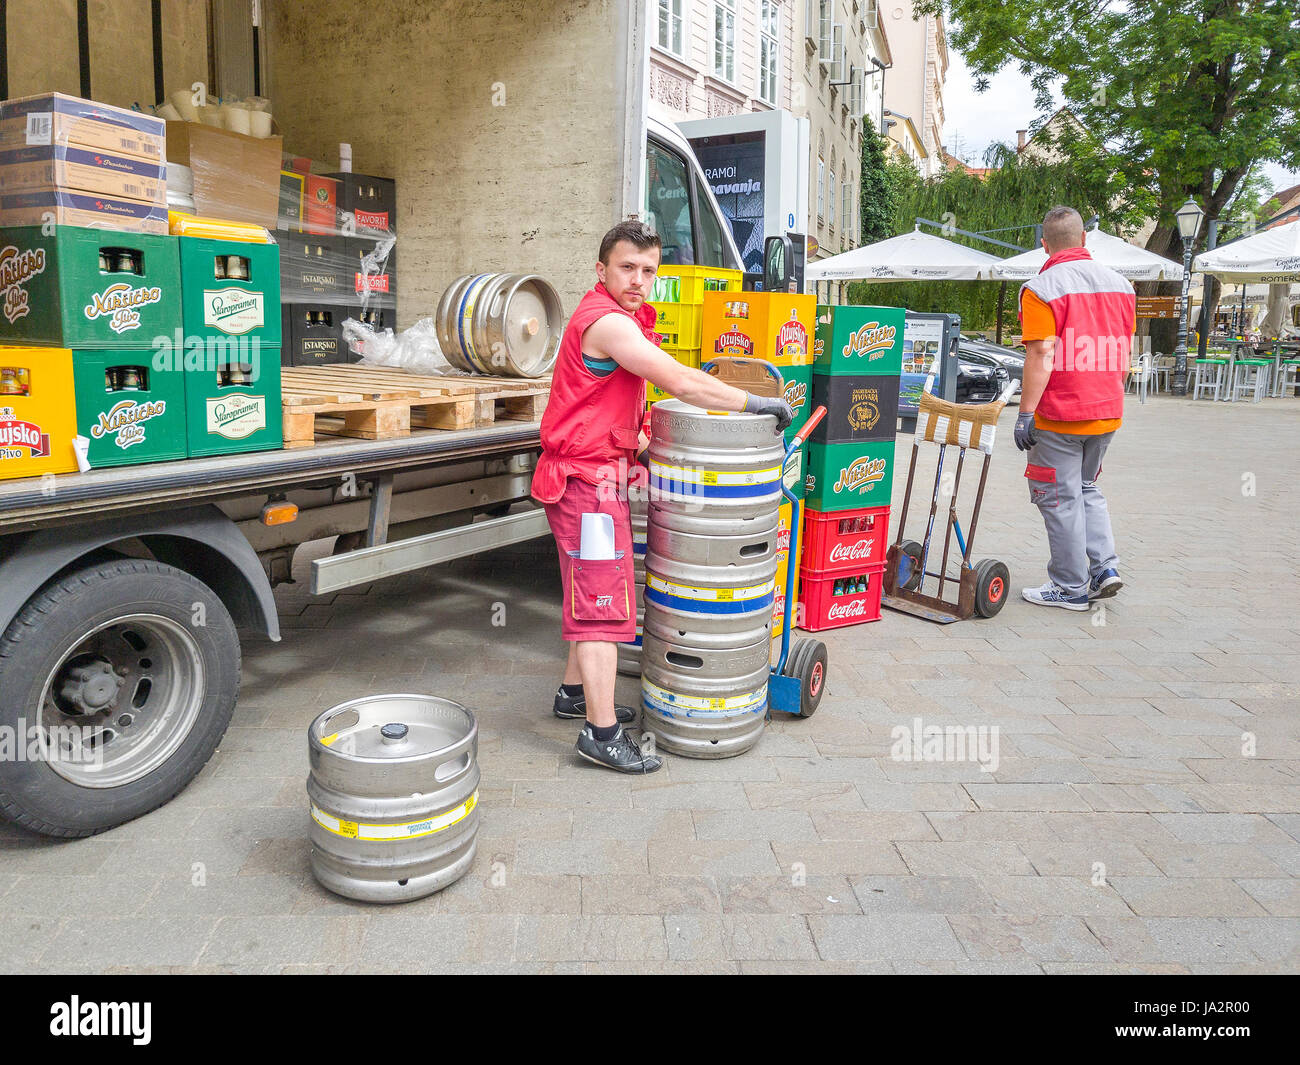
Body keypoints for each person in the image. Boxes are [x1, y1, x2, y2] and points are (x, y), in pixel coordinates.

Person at [532, 220, 793, 773]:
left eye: (649, 270)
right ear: (601, 271)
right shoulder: (605, 323)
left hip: (597, 475)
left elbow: (612, 399)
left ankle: (573, 694)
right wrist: (754, 403)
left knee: (589, 590)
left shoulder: (621, 319)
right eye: (627, 268)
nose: (639, 280)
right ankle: (599, 736)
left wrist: (639, 440)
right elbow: (681, 382)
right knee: (602, 606)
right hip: (587, 485)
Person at [1014, 206, 1136, 610]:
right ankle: (1105, 568)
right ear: (1084, 240)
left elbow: (1042, 352)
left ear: (1044, 245)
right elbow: (1125, 350)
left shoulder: (1041, 288)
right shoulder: (1122, 286)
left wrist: (1025, 412)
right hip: (1107, 409)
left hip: (1060, 414)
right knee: (1087, 488)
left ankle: (1069, 587)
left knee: (1057, 497)